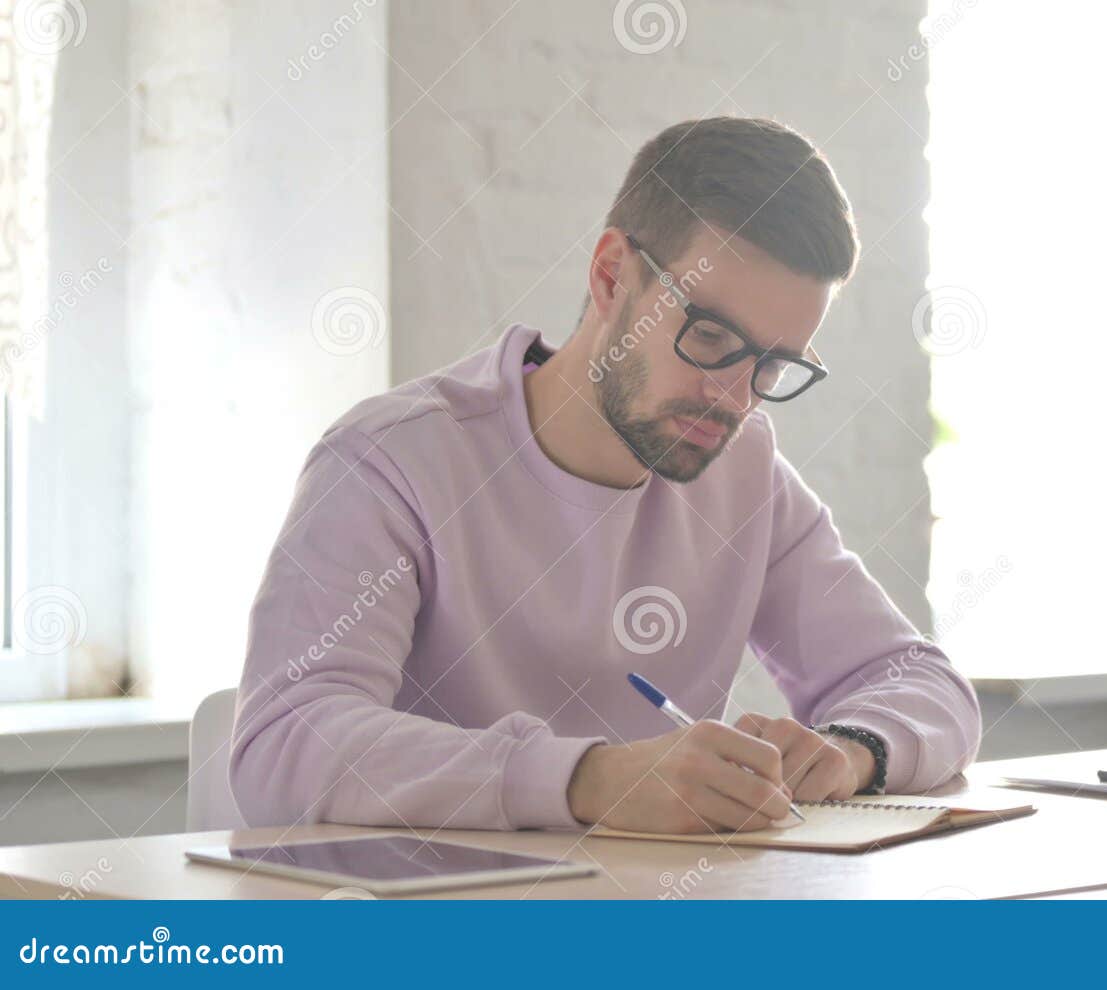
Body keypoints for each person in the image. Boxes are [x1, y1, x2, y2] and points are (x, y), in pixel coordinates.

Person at [229, 116, 981, 834]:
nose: (734, 397)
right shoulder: (393, 458)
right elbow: (284, 743)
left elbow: (923, 684)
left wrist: (852, 751)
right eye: (711, 335)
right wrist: (591, 782)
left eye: (773, 364)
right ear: (613, 275)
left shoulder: (745, 476)